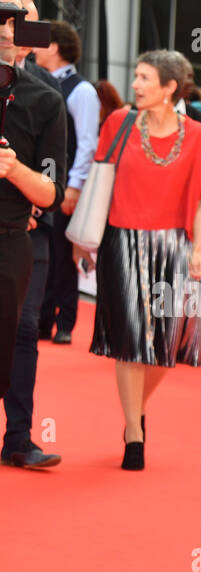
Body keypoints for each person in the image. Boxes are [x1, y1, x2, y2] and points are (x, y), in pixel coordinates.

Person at [87, 50, 201, 471]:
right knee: (130, 341)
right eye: (137, 76)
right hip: (120, 240)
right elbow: (99, 176)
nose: (136, 84)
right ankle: (133, 433)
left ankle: (134, 405)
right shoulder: (118, 123)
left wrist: (197, 248)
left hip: (171, 246)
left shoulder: (197, 135)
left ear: (169, 87)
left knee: (169, 341)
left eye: (145, 78)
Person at [0, 1, 67, 469]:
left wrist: (14, 171)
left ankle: (18, 437)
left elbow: (51, 190)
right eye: (5, 12)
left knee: (20, 333)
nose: (11, 23)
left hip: (19, 235)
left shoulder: (46, 100)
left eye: (21, 15)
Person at [32, 20, 94, 346]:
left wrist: (74, 186)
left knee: (64, 254)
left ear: (54, 47)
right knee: (44, 251)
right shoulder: (34, 81)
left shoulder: (82, 90)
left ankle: (65, 320)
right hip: (42, 182)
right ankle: (41, 319)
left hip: (66, 186)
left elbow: (86, 143)